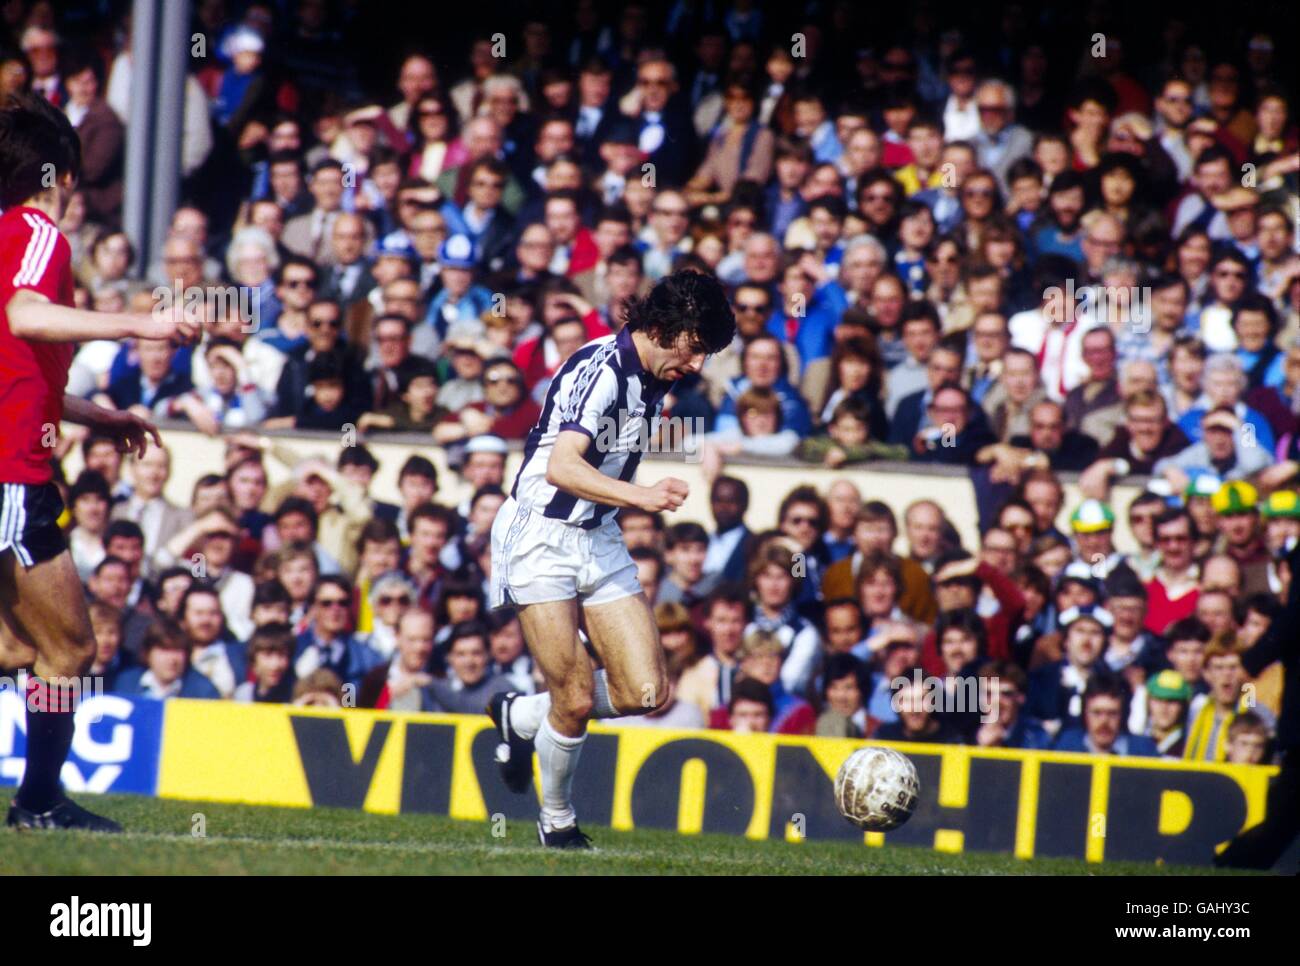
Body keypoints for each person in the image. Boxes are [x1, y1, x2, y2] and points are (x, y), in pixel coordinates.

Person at [0, 93, 196, 833]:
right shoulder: (39, 236)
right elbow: (24, 315)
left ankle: (38, 800)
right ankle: (40, 802)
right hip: (12, 475)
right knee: (71, 646)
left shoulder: (5, 234)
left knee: (20, 645)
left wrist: (99, 416)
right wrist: (141, 321)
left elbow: (19, 364)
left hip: (16, 463)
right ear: (66, 177)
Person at [485, 270, 735, 849]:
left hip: (596, 536)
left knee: (646, 694)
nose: (697, 364)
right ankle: (557, 821)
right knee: (573, 698)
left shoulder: (654, 375)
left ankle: (521, 717)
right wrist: (644, 496)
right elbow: (561, 468)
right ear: (661, 327)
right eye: (695, 348)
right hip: (539, 534)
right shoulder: (601, 370)